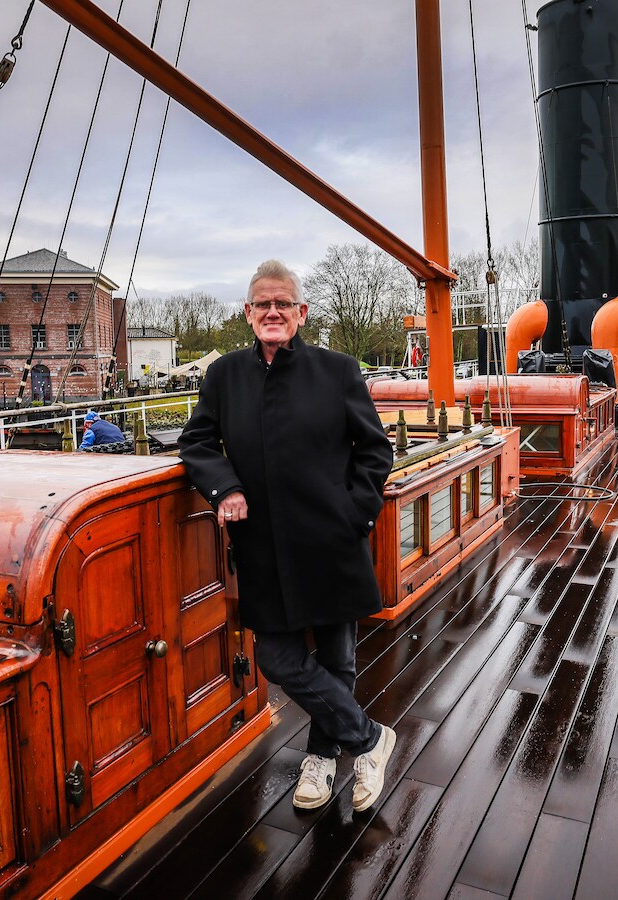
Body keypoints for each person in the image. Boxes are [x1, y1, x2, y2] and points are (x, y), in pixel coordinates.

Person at [178, 259, 396, 813]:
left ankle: (321, 758)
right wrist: (224, 487)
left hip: (332, 542)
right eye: (262, 304)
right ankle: (369, 739)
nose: (272, 312)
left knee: (338, 659)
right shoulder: (224, 375)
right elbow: (196, 443)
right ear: (248, 313)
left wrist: (355, 515)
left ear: (301, 312)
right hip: (264, 548)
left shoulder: (338, 370)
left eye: (283, 304)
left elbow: (375, 451)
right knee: (276, 658)